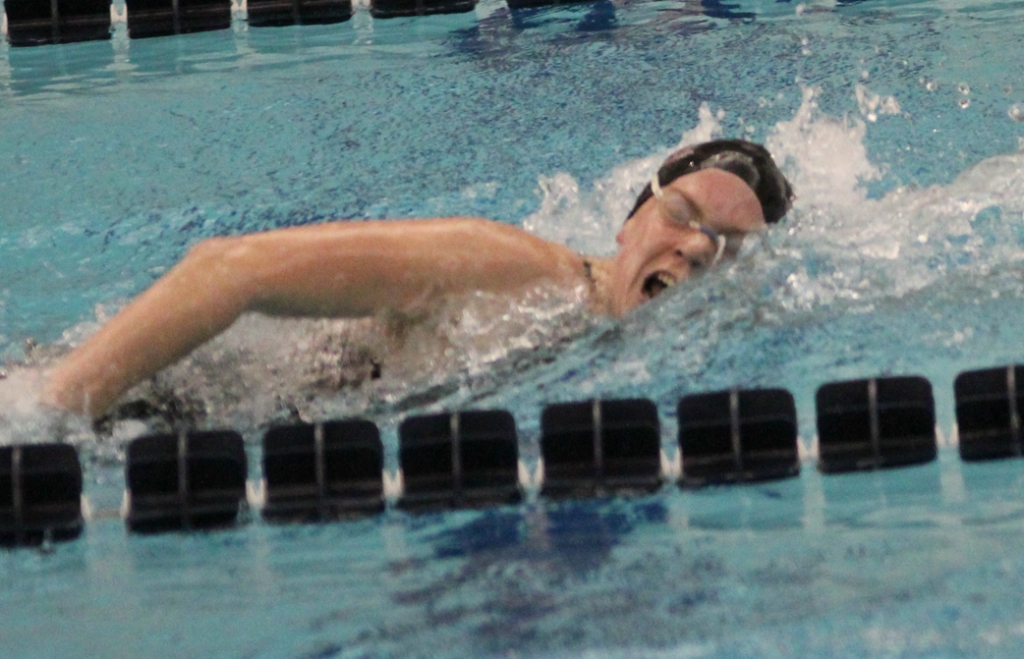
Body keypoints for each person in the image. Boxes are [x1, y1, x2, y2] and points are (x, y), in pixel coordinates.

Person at [40, 139, 794, 420]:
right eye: (685, 214)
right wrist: (47, 409)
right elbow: (229, 268)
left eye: (726, 245)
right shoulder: (515, 269)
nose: (697, 249)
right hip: (146, 400)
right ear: (630, 220)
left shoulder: (602, 338)